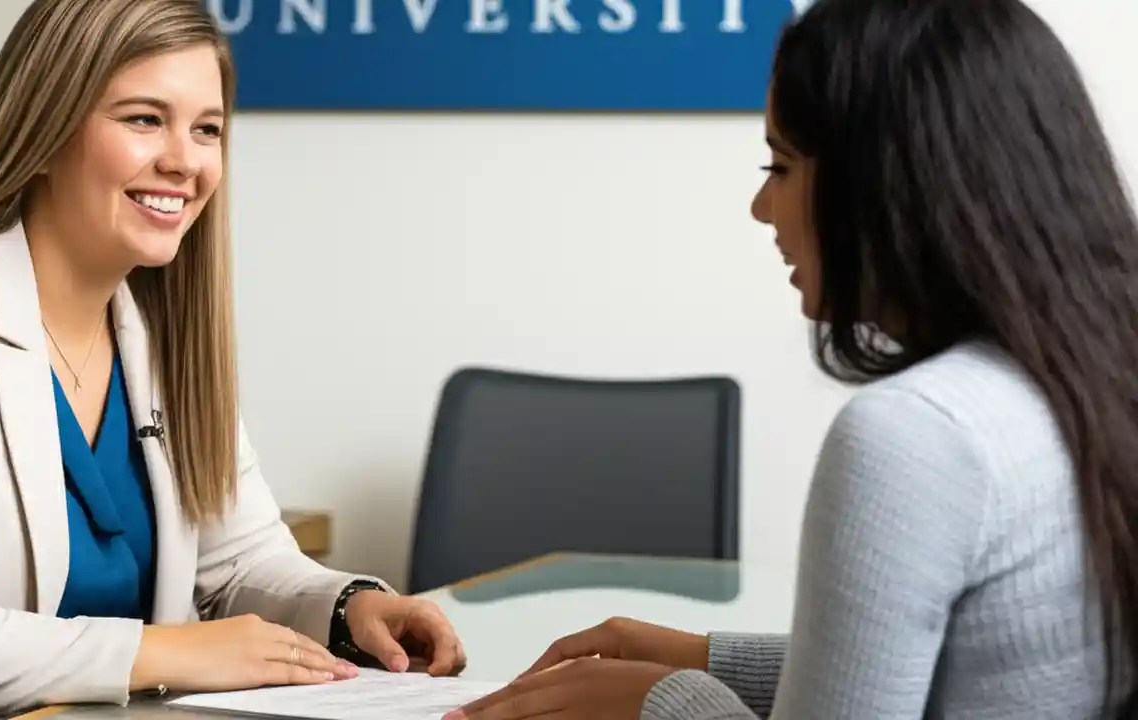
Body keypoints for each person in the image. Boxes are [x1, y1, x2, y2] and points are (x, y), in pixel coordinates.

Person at [451, 0, 1138, 718]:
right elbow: (961, 669)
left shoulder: (919, 433)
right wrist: (704, 657)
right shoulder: (1081, 386)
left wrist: (662, 700)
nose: (761, 207)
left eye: (779, 165)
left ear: (886, 180)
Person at [0, 1, 464, 717]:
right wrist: (158, 653)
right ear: (43, 132)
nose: (184, 161)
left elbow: (239, 562)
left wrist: (346, 607)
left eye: (207, 129)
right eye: (145, 119)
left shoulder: (160, 328)